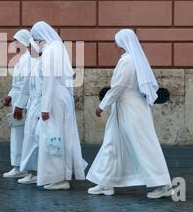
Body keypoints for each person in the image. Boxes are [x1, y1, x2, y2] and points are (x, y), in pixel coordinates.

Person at [86, 29, 172, 199]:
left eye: (116, 42)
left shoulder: (128, 61)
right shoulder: (129, 59)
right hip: (126, 109)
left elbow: (118, 87)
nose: (114, 45)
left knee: (143, 146)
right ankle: (106, 182)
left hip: (131, 111)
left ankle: (163, 185)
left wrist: (102, 106)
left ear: (122, 43)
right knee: (112, 145)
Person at [30, 21, 87, 190]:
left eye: (34, 37)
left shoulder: (49, 51)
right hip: (61, 97)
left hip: (53, 98)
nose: (33, 41)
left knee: (52, 136)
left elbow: (49, 80)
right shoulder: (57, 48)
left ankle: (58, 178)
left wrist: (45, 107)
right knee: (61, 135)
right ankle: (65, 171)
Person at [2, 29, 32, 179]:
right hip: (18, 101)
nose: (13, 43)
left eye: (16, 40)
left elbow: (26, 84)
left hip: (23, 103)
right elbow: (17, 84)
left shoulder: (27, 59)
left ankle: (23, 166)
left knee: (22, 135)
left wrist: (20, 104)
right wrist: (9, 95)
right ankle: (17, 165)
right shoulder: (21, 58)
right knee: (17, 134)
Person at [15, 38, 43, 185]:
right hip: (33, 107)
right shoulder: (35, 64)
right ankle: (31, 171)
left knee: (35, 140)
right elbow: (26, 87)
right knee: (29, 139)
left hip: (39, 108)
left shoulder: (42, 64)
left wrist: (43, 110)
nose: (28, 49)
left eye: (30, 46)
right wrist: (20, 105)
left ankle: (37, 172)